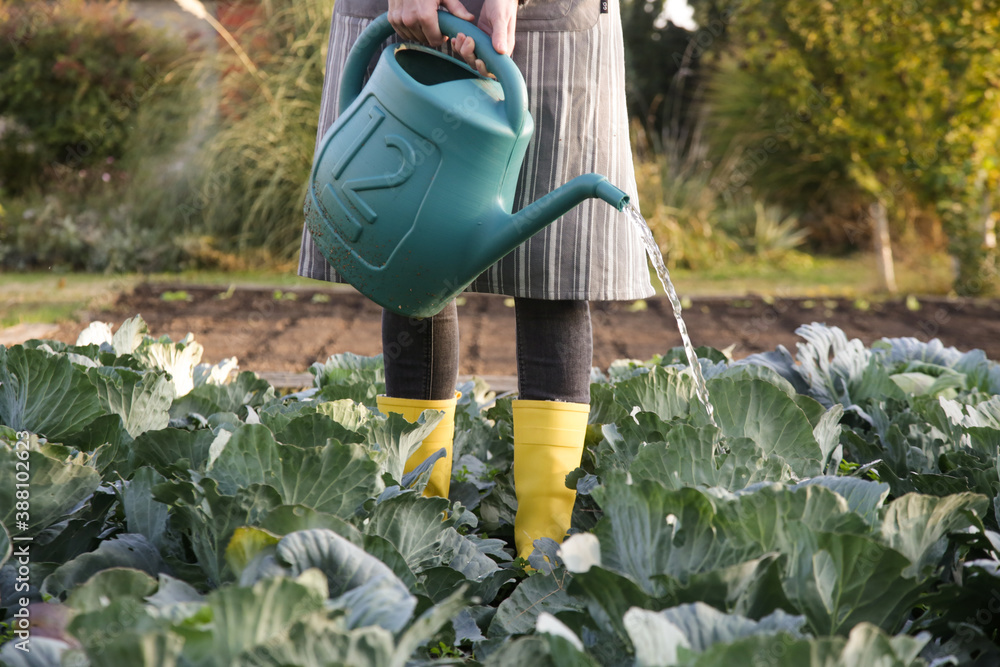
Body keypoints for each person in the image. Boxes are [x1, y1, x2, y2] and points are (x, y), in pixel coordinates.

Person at [298, 0, 653, 561]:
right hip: (404, 13)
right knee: (413, 253)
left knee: (553, 266)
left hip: (551, 21)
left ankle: (546, 551)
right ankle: (417, 536)